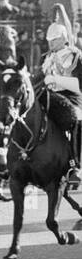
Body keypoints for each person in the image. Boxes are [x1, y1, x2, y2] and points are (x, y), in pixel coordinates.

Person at [35, 12, 82, 185]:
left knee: (75, 118)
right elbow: (38, 78)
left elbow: (79, 84)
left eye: (54, 39)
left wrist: (56, 79)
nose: (51, 43)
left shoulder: (75, 56)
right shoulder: (46, 58)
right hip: (48, 97)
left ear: (63, 38)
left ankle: (74, 165)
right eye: (49, 40)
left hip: (70, 98)